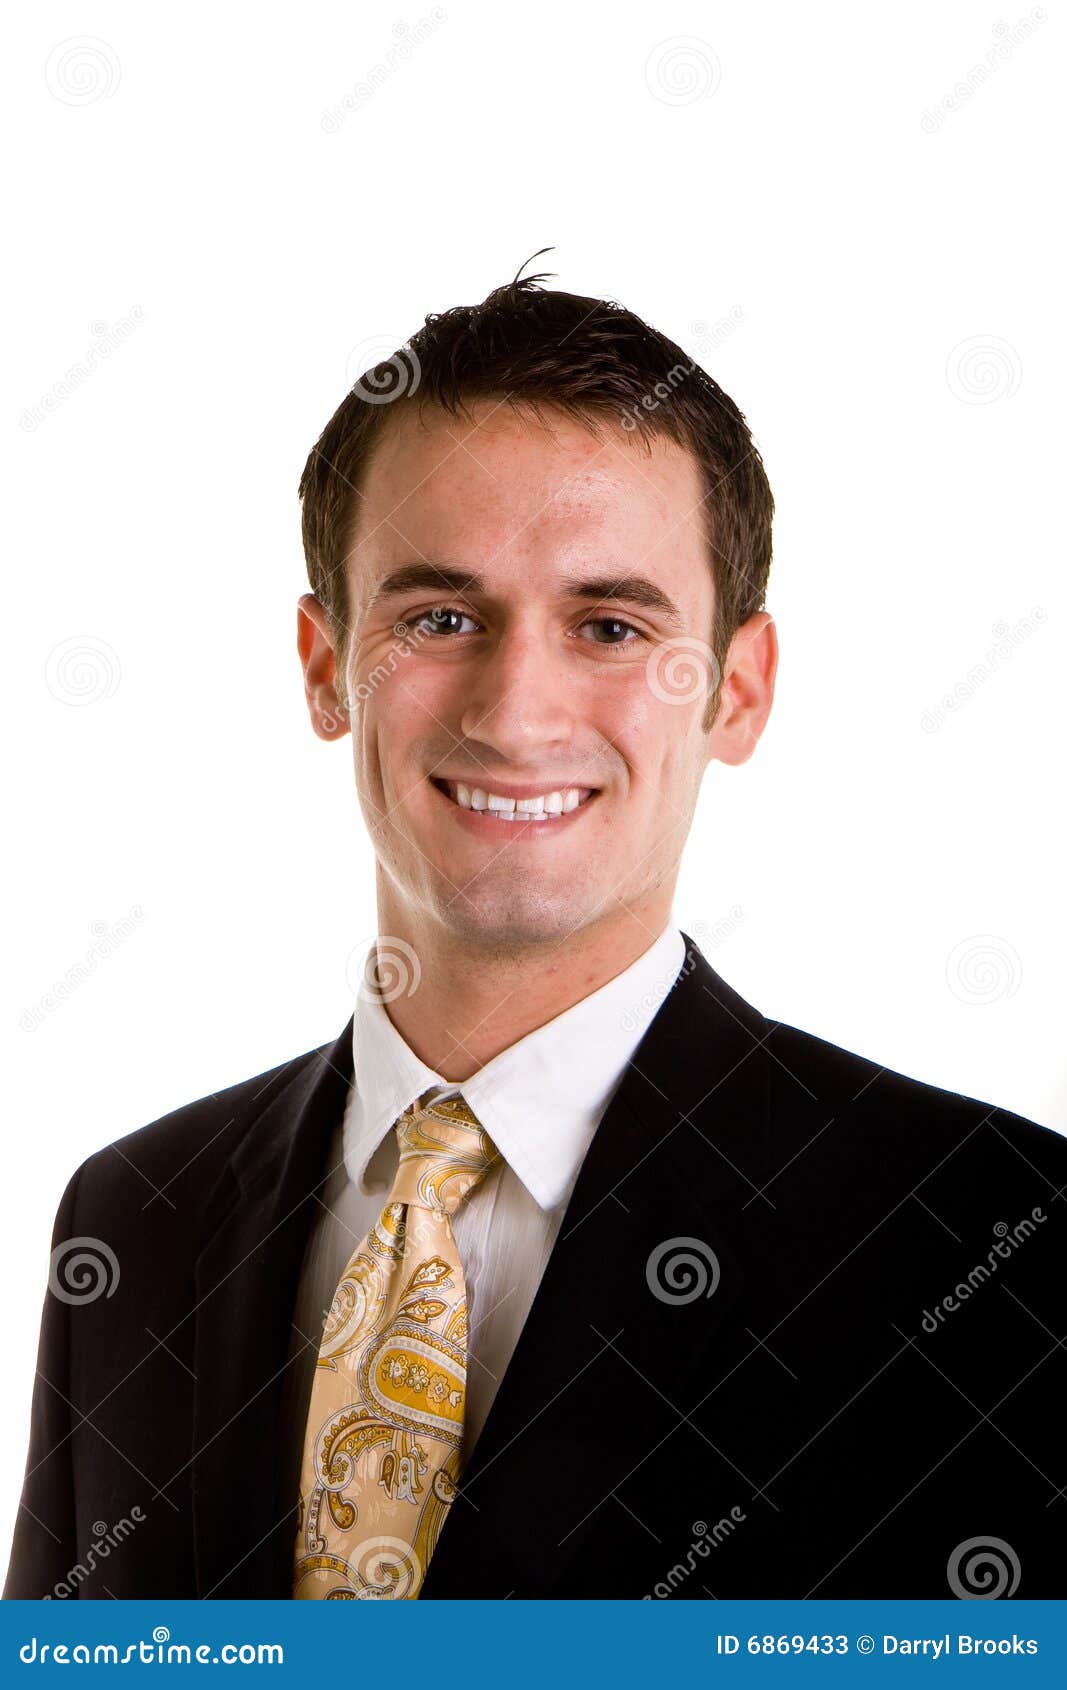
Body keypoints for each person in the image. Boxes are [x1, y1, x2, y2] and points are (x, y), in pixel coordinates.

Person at [5, 263, 1064, 1602]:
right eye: (441, 617)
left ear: (736, 692)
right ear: (328, 667)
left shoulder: (995, 1236)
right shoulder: (133, 1223)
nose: (516, 710)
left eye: (610, 624)